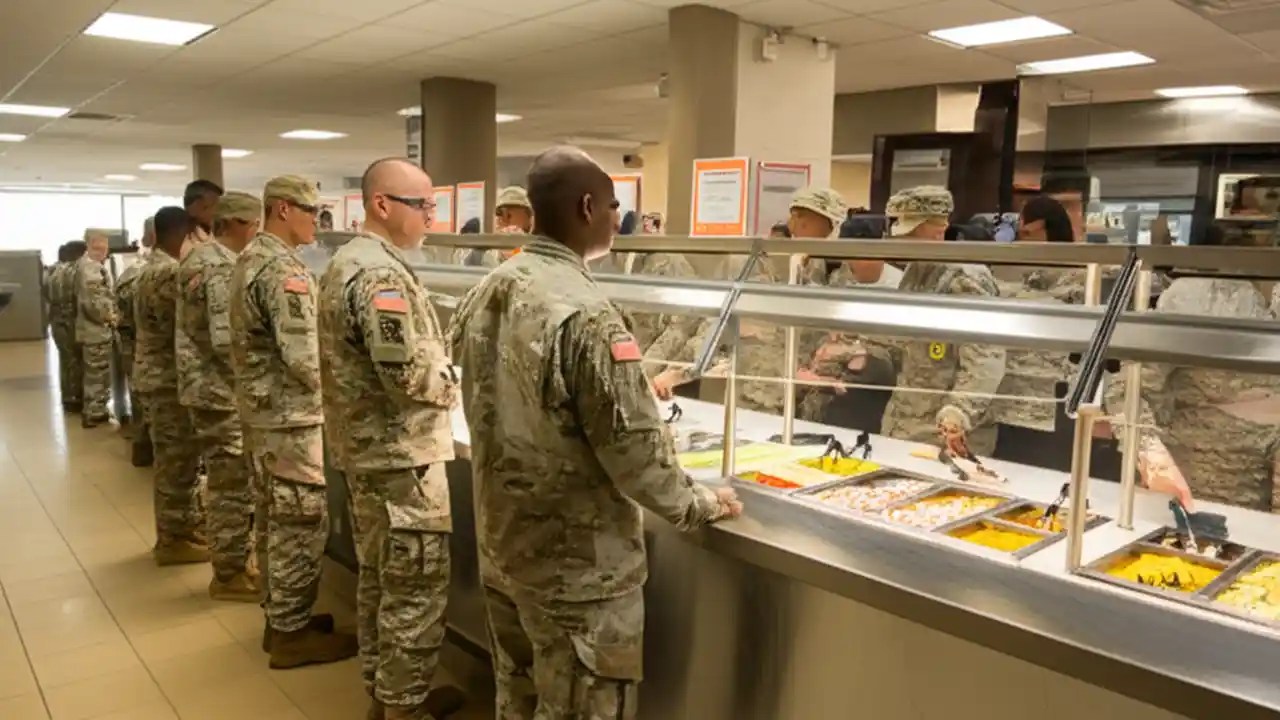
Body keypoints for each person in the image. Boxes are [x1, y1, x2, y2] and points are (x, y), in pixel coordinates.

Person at [449, 146, 741, 719]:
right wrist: (698, 503)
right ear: (587, 207)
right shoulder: (588, 313)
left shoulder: (490, 286)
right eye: (612, 207)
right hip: (578, 572)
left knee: (519, 696)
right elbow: (634, 451)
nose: (616, 219)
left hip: (504, 546)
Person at [319, 158, 465, 720]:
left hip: (371, 455)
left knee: (382, 580)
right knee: (414, 589)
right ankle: (405, 708)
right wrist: (461, 384)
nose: (432, 216)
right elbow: (406, 373)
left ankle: (386, 697)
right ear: (382, 205)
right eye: (422, 205)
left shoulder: (351, 262)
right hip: (400, 460)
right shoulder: (380, 276)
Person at [229, 175, 356, 669]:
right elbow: (307, 358)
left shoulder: (251, 258)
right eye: (312, 212)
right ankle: (291, 632)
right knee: (300, 523)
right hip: (290, 420)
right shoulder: (284, 271)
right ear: (283, 209)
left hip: (265, 417)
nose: (318, 224)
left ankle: (279, 617)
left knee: (273, 518)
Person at [1104, 271, 1276, 512]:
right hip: (1181, 490)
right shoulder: (1199, 296)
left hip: (1251, 499)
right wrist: (1153, 457)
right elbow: (1126, 390)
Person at [878, 186, 1007, 456]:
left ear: (939, 228)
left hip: (947, 432)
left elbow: (985, 357)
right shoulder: (917, 269)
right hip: (906, 421)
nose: (902, 239)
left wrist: (958, 413)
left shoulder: (965, 277)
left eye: (912, 231)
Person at [178, 192, 262, 602]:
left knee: (227, 481)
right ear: (233, 225)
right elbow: (227, 341)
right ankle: (229, 574)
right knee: (232, 486)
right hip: (220, 391)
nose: (257, 234)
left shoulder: (201, 258)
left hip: (208, 388)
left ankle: (232, 564)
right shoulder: (220, 267)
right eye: (254, 226)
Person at [135, 207, 209, 564]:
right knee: (175, 462)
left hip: (161, 377)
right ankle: (172, 540)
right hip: (166, 380)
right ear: (183, 234)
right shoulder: (167, 273)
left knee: (181, 460)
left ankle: (183, 527)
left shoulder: (153, 267)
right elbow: (187, 324)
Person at [991, 195, 1082, 470]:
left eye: (1027, 233)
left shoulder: (1080, 277)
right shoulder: (1023, 272)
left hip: (1051, 403)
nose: (1022, 239)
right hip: (1009, 397)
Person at [116, 217, 156, 465]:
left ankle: (143, 449)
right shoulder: (157, 272)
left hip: (137, 349)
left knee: (141, 401)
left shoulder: (131, 272)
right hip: (151, 350)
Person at [75, 231, 117, 427]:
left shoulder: (87, 265)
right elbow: (95, 303)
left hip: (91, 329)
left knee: (97, 371)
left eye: (104, 248)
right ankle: (94, 411)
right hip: (95, 330)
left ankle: (96, 407)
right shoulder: (91, 269)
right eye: (97, 248)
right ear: (89, 246)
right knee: (97, 373)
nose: (102, 252)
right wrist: (111, 317)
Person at [46, 243, 80, 412]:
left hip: (56, 320)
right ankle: (75, 397)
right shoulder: (70, 273)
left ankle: (68, 396)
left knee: (66, 360)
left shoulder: (51, 273)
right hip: (69, 321)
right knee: (74, 360)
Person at [184, 179, 224, 253]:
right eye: (213, 205)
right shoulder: (182, 240)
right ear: (196, 206)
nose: (218, 212)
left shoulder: (217, 233)